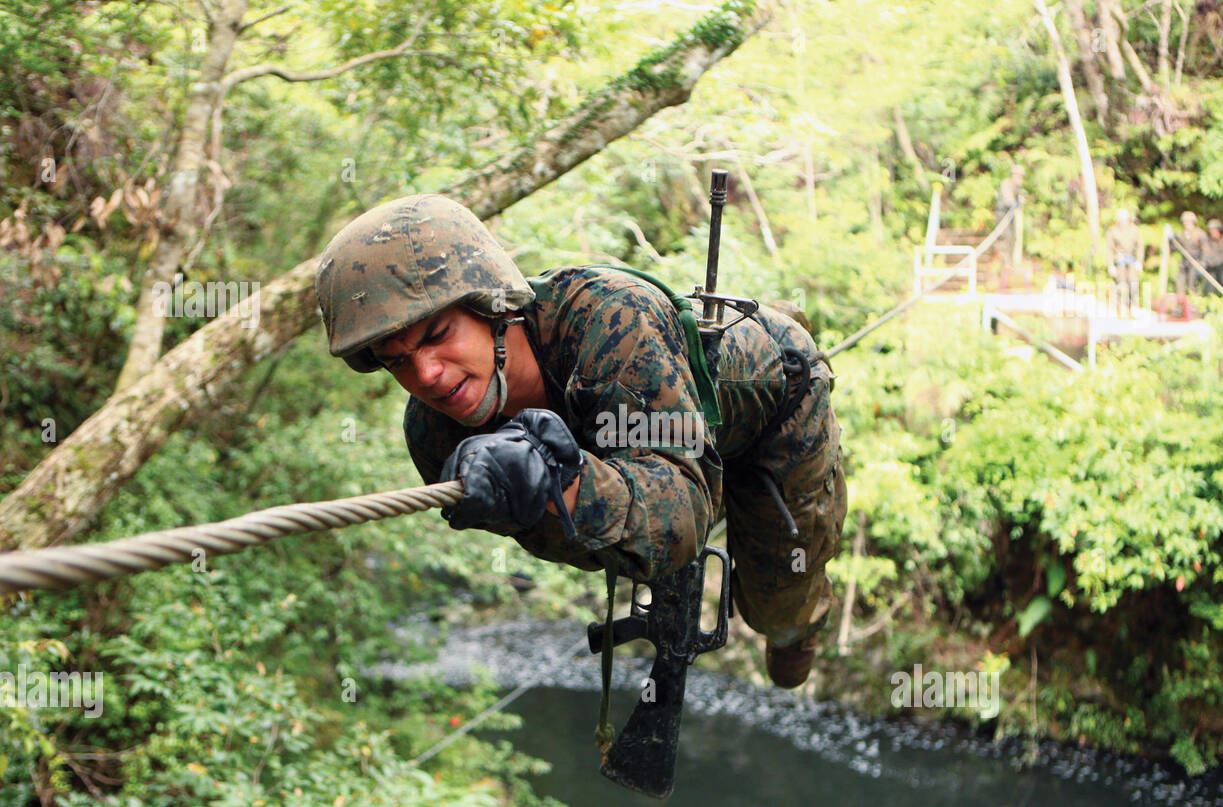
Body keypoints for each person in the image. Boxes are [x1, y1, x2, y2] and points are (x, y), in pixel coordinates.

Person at [314, 194, 848, 689]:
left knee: (778, 609)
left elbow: (685, 516)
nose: (426, 374)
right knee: (647, 549)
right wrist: (559, 493)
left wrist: (567, 480)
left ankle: (799, 630)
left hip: (776, 400)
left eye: (437, 336)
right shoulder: (437, 436)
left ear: (494, 307)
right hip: (657, 445)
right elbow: (575, 543)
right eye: (395, 360)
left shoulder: (611, 320)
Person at [1104, 209, 1143, 317]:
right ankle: (1120, 308)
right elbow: (1109, 249)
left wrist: (1139, 261)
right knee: (1120, 284)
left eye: (1125, 219)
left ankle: (1132, 307)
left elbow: (1140, 247)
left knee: (1133, 283)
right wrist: (1110, 265)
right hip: (1119, 260)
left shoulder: (1135, 230)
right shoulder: (1112, 231)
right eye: (1121, 220)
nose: (1123, 222)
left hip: (1131, 260)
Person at [994, 164, 1025, 288]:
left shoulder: (1018, 188)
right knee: (1005, 238)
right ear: (1014, 176)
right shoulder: (1006, 184)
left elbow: (1018, 202)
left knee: (1013, 238)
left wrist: (1020, 202)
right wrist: (1014, 203)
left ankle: (1011, 263)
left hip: (1011, 215)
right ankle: (1005, 264)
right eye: (1019, 176)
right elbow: (1008, 200)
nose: (1020, 179)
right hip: (1003, 215)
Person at [1174, 210, 1207, 297]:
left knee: (1193, 286)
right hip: (1184, 263)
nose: (1186, 224)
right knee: (1180, 285)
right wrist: (1172, 241)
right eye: (1185, 222)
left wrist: (1202, 263)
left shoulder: (1200, 234)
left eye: (1188, 222)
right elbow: (1175, 248)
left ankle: (1193, 307)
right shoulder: (1181, 235)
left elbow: (1205, 250)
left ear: (1193, 222)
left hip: (1195, 263)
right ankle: (1180, 306)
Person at [1201, 219, 1223, 293]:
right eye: (1211, 231)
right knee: (1208, 282)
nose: (1213, 233)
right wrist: (1207, 262)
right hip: (1211, 269)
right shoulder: (1208, 242)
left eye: (1214, 230)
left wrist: (1214, 262)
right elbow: (1206, 255)